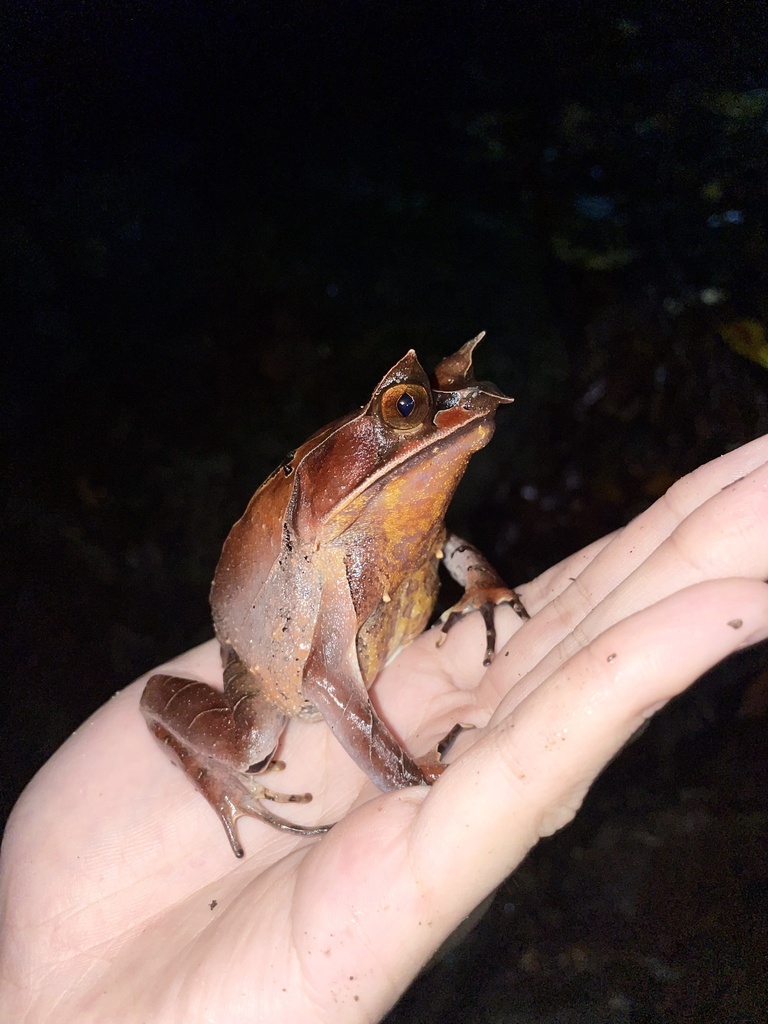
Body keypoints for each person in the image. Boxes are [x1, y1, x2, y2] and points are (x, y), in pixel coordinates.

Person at [2, 435, 767, 1024]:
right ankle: (208, 764)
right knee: (252, 743)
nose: (443, 420)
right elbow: (332, 688)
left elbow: (445, 547)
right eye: (408, 410)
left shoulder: (404, 524)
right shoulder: (348, 531)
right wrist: (408, 779)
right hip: (275, 669)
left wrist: (486, 586)